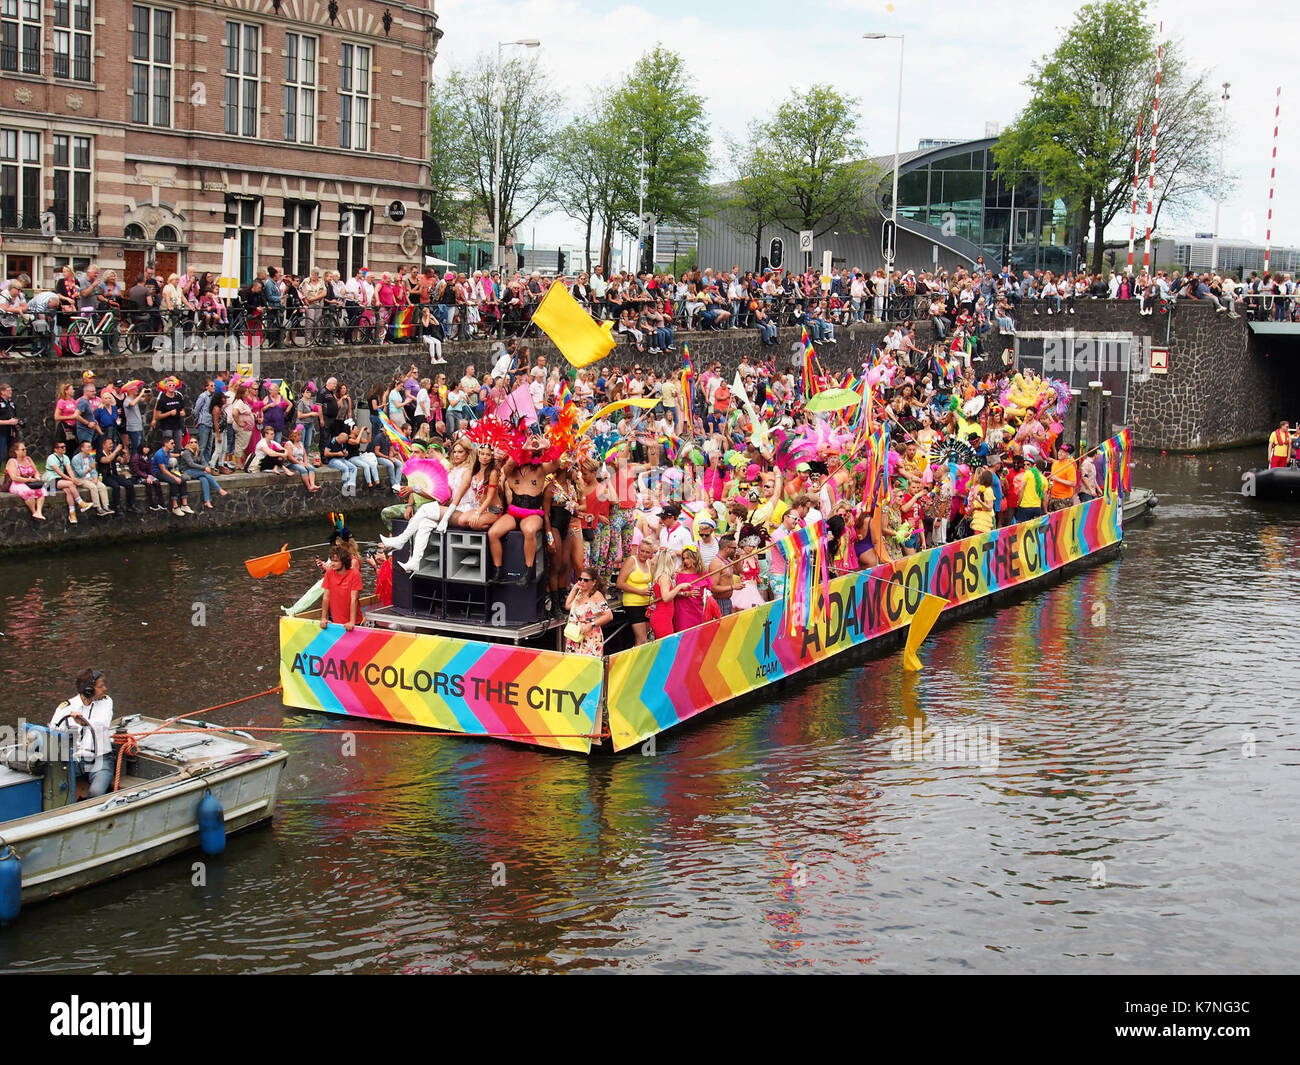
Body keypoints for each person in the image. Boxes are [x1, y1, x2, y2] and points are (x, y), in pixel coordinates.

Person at [50, 668, 116, 798]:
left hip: (100, 759)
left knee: (96, 793)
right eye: (101, 686)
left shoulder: (106, 702)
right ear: (88, 690)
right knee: (55, 787)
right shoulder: (66, 707)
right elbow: (52, 733)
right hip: (74, 760)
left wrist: (83, 723)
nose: (105, 689)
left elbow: (101, 725)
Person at [616, 536, 656, 645]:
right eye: (642, 551)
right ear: (638, 549)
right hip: (633, 603)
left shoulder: (649, 563)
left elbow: (651, 581)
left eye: (647, 552)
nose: (644, 554)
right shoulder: (631, 561)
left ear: (651, 553)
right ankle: (636, 661)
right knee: (641, 639)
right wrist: (640, 592)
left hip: (647, 604)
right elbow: (619, 583)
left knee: (646, 637)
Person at [563, 569, 613, 656]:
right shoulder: (579, 593)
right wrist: (574, 589)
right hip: (575, 636)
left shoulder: (596, 595)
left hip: (590, 637)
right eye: (580, 579)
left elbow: (608, 615)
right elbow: (568, 606)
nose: (581, 582)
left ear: (593, 582)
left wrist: (591, 625)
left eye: (585, 580)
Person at [320, 544, 363, 631]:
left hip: (354, 621)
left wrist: (352, 622)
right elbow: (326, 597)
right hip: (336, 621)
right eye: (331, 560)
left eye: (336, 561)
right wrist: (323, 618)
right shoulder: (329, 572)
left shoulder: (354, 574)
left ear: (343, 562)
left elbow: (354, 599)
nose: (332, 564)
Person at [178, 438, 227, 508]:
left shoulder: (199, 452)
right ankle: (219, 489)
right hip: (187, 471)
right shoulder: (186, 452)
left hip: (198, 471)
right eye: (191, 442)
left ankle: (207, 501)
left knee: (204, 479)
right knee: (205, 474)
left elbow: (203, 462)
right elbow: (191, 464)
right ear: (188, 444)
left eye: (195, 442)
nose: (193, 444)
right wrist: (204, 468)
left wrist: (207, 467)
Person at [671, 544, 710, 631]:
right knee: (684, 637)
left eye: (688, 558)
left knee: (697, 637)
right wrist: (686, 594)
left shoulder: (703, 572)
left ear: (695, 558)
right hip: (683, 611)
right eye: (684, 558)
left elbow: (711, 589)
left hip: (698, 610)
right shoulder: (680, 572)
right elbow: (672, 593)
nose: (685, 561)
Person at [4, 441, 48, 520]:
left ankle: (39, 511)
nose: (25, 451)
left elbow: (36, 472)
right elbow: (14, 477)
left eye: (25, 449)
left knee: (42, 490)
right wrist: (28, 479)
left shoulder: (28, 459)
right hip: (17, 483)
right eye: (23, 449)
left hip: (30, 482)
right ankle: (34, 512)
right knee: (28, 492)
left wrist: (37, 478)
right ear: (16, 451)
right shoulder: (12, 461)